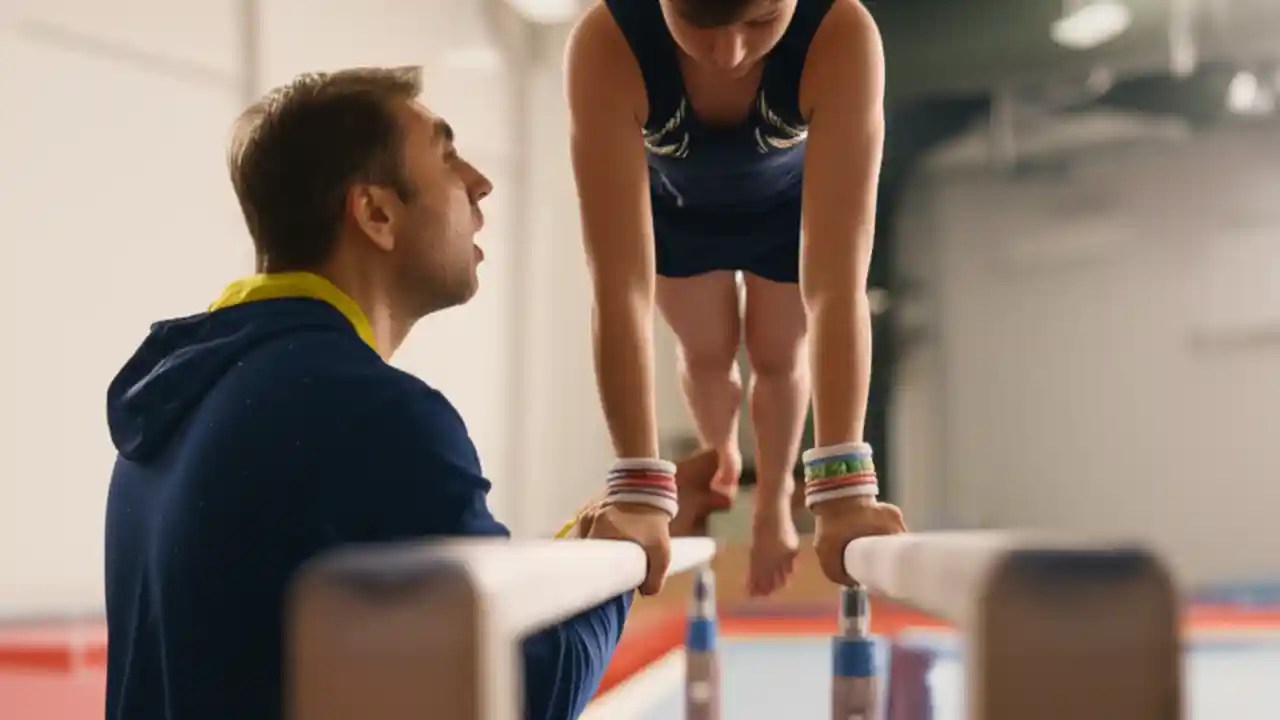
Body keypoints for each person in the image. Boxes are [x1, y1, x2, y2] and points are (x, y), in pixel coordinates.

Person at [103, 66, 664, 720]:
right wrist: (617, 563)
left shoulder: (171, 409)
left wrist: (582, 542)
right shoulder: (372, 416)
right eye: (448, 157)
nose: (481, 183)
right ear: (375, 211)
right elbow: (515, 694)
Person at [564, 0, 908, 597]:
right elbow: (619, 291)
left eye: (761, 20)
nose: (731, 53)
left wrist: (843, 490)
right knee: (705, 354)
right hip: (678, 213)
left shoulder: (840, 33)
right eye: (701, 25)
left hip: (785, 214)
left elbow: (836, 289)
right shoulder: (608, 41)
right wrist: (640, 492)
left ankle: (773, 499)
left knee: (777, 356)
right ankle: (720, 457)